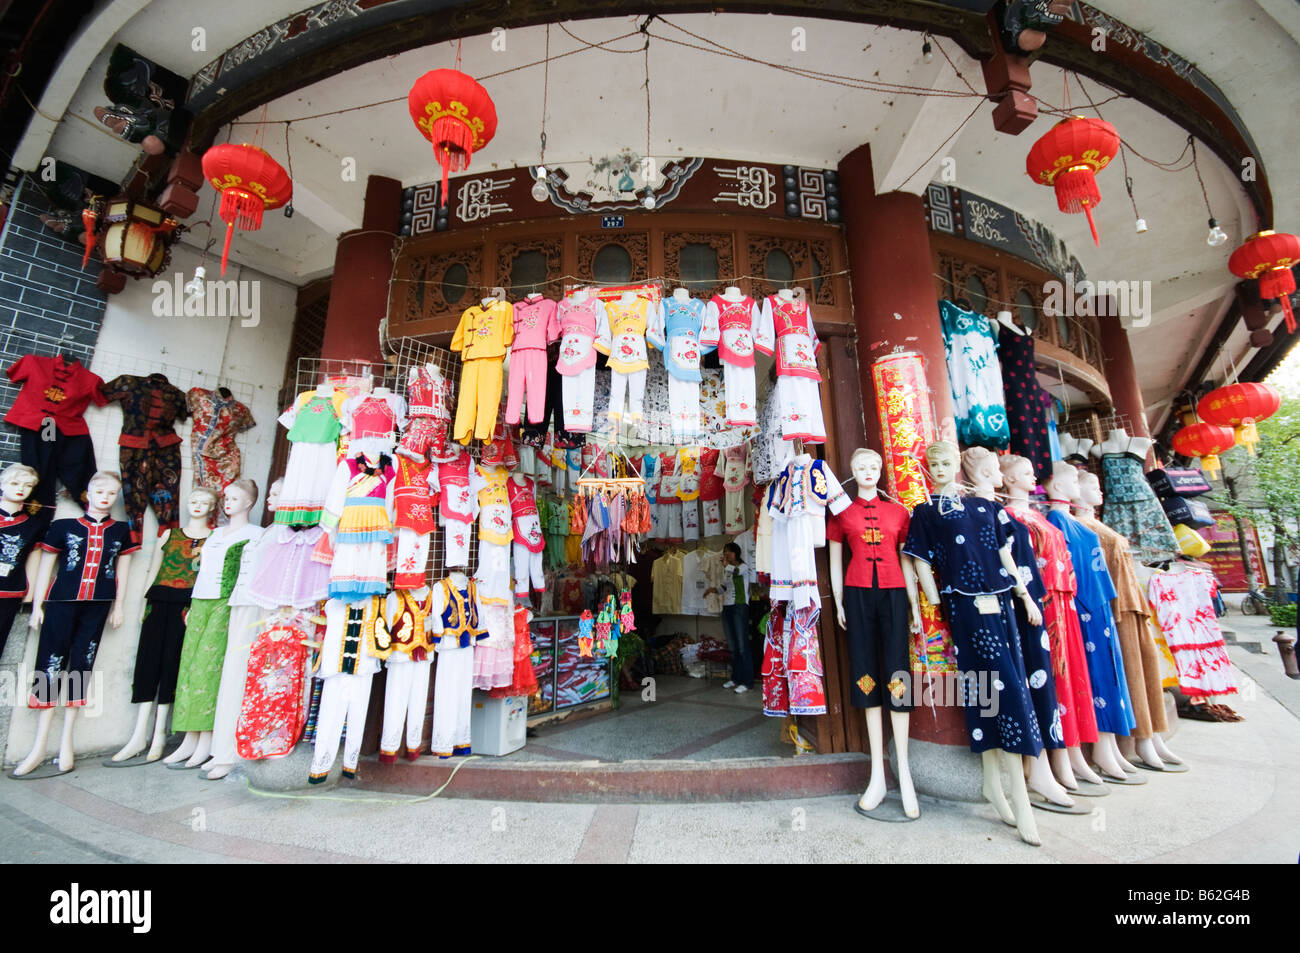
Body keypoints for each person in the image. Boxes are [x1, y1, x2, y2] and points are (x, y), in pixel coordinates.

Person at [717, 542, 753, 694]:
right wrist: (713, 590)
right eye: (724, 552)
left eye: (728, 552)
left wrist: (726, 566)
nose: (726, 555)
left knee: (742, 645)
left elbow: (737, 573)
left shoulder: (743, 567)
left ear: (736, 553)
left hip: (739, 607)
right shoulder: (727, 570)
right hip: (727, 607)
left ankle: (747, 681)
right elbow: (724, 587)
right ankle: (735, 678)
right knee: (732, 646)